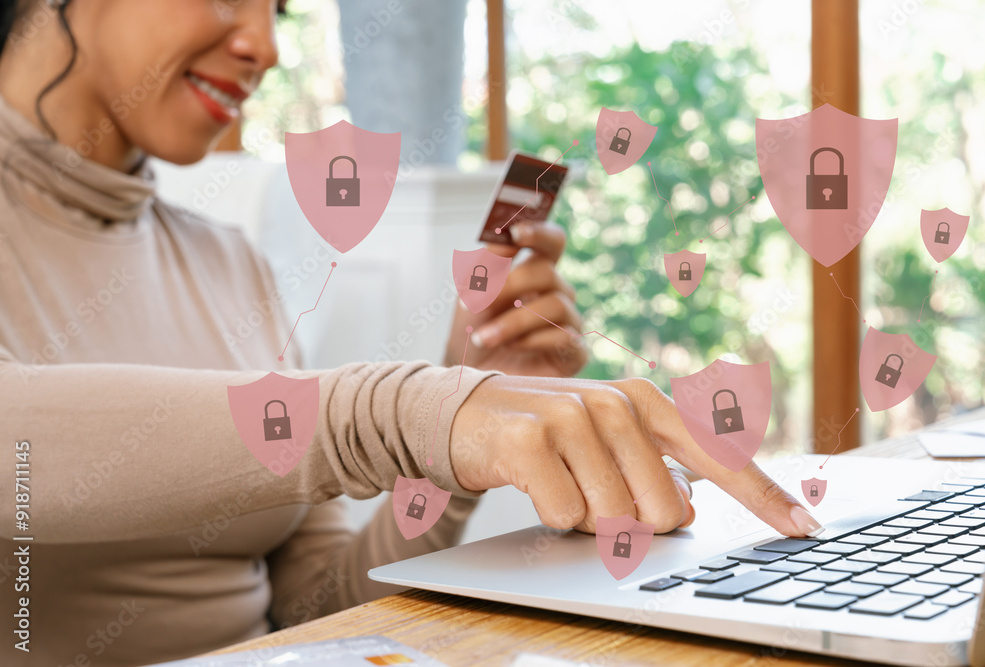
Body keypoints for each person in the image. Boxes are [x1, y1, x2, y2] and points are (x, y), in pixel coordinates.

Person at [0, 1, 824, 666]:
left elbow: (315, 605)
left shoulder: (224, 262)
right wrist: (412, 411)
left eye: (279, 9)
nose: (263, 44)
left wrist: (459, 426)